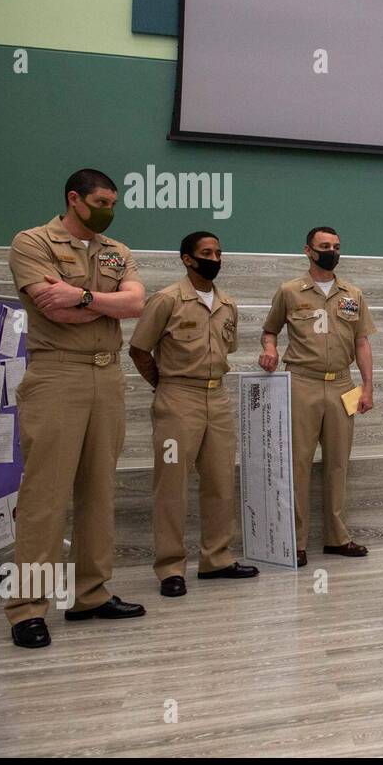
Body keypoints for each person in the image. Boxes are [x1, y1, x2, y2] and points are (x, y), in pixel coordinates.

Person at [4, 169, 148, 649]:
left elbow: (136, 305)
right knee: (46, 494)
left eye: (114, 201)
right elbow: (52, 310)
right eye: (103, 200)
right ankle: (27, 607)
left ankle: (91, 594)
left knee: (99, 489)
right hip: (57, 373)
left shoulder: (117, 250)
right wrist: (107, 303)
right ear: (75, 198)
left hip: (107, 375)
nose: (110, 208)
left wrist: (84, 296)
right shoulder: (33, 242)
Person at [129, 232, 258, 596]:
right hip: (178, 398)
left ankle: (216, 559)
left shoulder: (228, 304)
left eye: (218, 252)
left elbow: (226, 348)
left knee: (220, 482)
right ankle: (170, 567)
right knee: (172, 486)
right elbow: (139, 349)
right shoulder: (167, 300)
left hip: (217, 398)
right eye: (206, 253)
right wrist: (165, 386)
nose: (214, 258)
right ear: (187, 259)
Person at [260, 226, 375, 567]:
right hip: (302, 382)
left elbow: (362, 343)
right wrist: (269, 350)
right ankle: (295, 542)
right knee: (298, 463)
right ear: (308, 251)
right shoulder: (290, 291)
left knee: (339, 463)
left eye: (336, 246)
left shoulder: (352, 293)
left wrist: (367, 386)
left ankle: (337, 538)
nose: (332, 251)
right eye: (324, 246)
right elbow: (270, 331)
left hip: (343, 384)